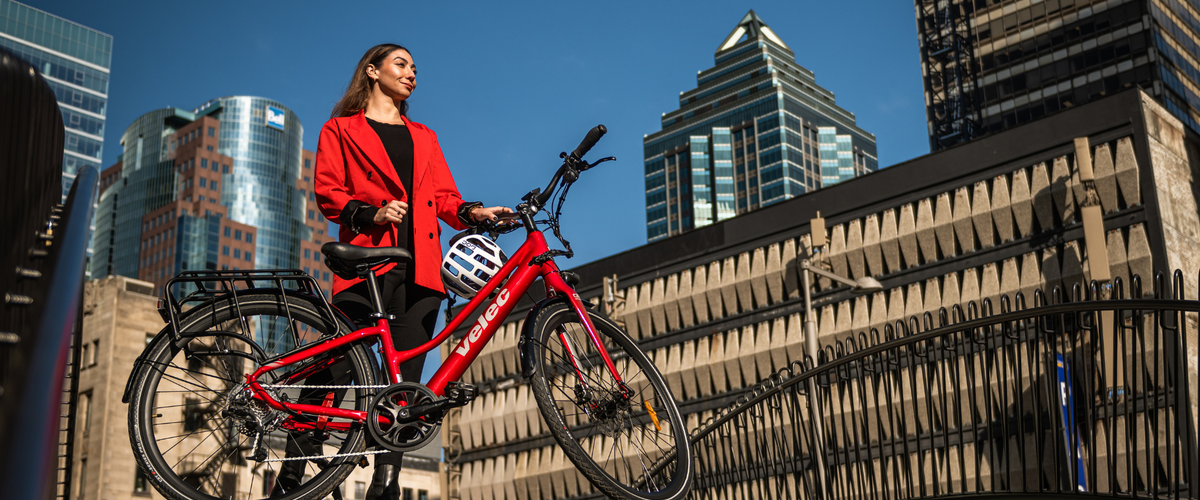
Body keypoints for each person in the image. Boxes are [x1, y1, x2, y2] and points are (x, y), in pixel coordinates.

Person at [312, 43, 510, 500]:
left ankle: (387, 484)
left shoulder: (424, 135)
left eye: (415, 68)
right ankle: (295, 469)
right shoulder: (339, 130)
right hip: (367, 264)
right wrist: (371, 214)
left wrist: (473, 212)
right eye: (401, 64)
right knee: (336, 369)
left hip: (421, 272)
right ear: (372, 71)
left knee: (406, 390)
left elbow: (443, 197)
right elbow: (328, 191)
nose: (412, 74)